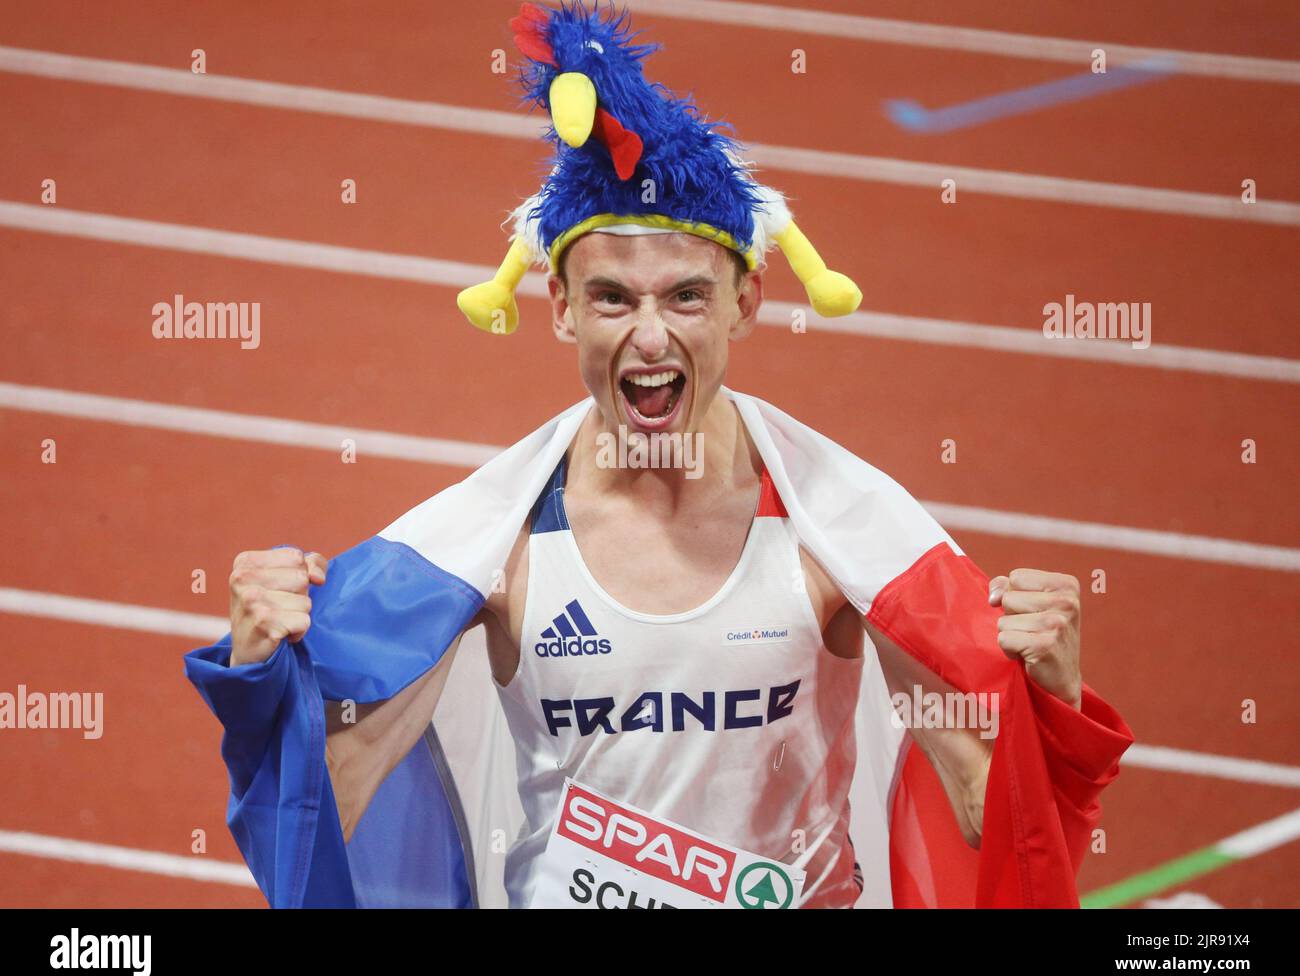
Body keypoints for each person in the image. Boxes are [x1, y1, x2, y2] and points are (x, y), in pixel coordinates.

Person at [191, 1, 1132, 909]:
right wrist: (261, 672)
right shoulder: (496, 547)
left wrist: (1049, 702)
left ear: (746, 303)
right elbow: (325, 801)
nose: (650, 337)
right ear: (559, 308)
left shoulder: (839, 536)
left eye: (686, 296)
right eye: (612, 299)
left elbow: (989, 807)